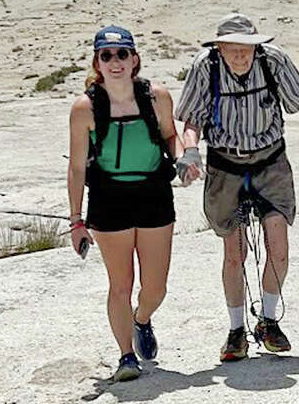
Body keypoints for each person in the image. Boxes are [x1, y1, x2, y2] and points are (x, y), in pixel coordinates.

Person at [175, 13, 299, 362]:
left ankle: (268, 321)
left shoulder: (272, 60)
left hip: (269, 162)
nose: (241, 57)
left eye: (247, 49)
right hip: (226, 164)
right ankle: (235, 330)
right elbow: (193, 119)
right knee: (235, 252)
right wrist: (189, 151)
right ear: (220, 48)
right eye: (234, 51)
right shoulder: (206, 67)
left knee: (279, 246)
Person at [67, 25, 190, 382]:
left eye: (122, 54)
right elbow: (76, 168)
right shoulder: (84, 108)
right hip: (109, 199)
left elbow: (170, 135)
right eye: (106, 56)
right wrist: (76, 221)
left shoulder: (157, 97)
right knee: (120, 284)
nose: (115, 62)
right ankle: (126, 356)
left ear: (134, 59)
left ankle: (142, 319)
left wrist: (183, 156)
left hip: (153, 194)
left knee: (156, 287)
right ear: (97, 62)